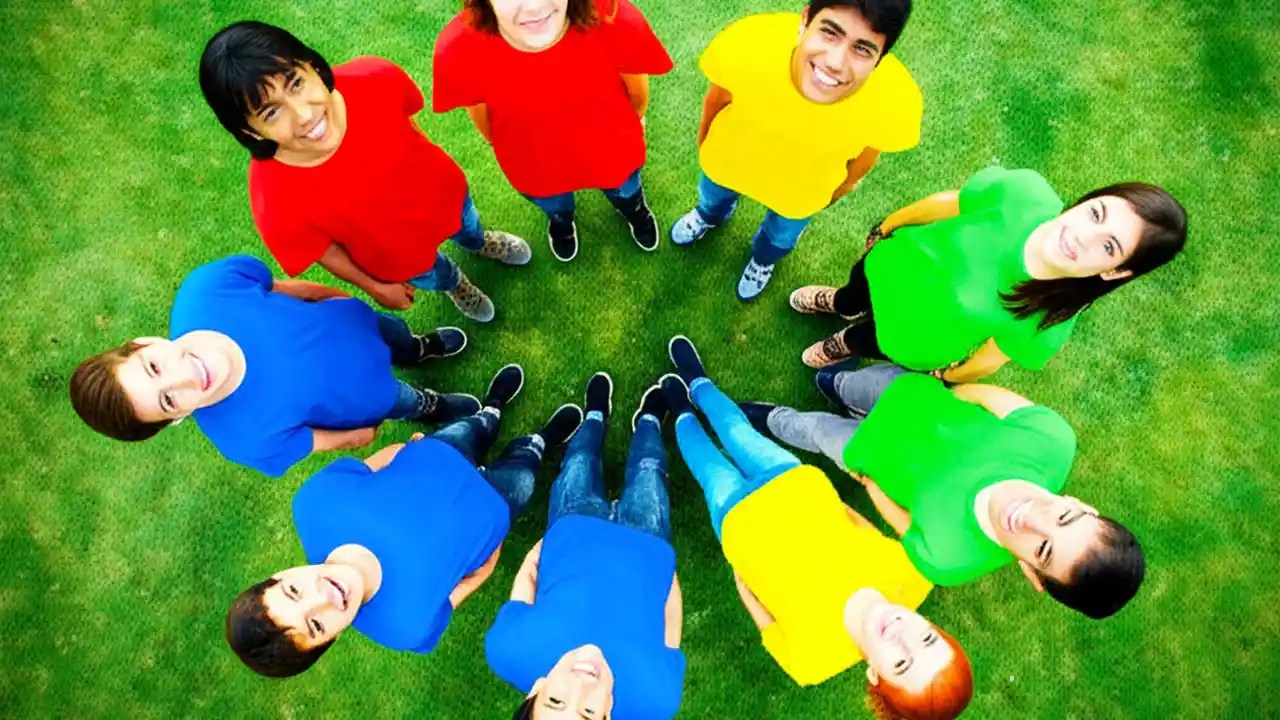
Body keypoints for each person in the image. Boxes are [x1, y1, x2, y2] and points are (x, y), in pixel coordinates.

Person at [661, 336, 971, 718]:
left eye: (902, 665)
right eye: (927, 639)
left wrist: (746, 588)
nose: (904, 637)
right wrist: (836, 505)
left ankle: (680, 411)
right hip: (795, 484)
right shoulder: (916, 575)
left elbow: (769, 628)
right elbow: (866, 531)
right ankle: (699, 385)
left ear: (876, 677)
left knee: (708, 466)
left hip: (738, 520)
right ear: (934, 627)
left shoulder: (813, 663)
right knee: (739, 432)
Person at [224, 364, 584, 677]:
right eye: (315, 626)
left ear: (282, 575)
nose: (323, 597)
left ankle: (491, 410)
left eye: (293, 592)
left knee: (471, 429)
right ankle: (540, 441)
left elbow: (373, 465)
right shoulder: (406, 630)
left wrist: (409, 452)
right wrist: (494, 533)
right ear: (330, 641)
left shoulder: (315, 504)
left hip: (441, 452)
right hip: (497, 501)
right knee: (523, 472)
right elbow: (469, 583)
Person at [741, 360, 1146, 619]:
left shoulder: (949, 562)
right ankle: (835, 382)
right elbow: (990, 396)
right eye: (1063, 518)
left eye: (1044, 550)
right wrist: (946, 395)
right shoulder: (1052, 441)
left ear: (1033, 575)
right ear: (1079, 504)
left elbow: (904, 526)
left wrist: (870, 483)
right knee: (859, 382)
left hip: (865, 454)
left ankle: (777, 420)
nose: (1032, 518)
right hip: (907, 395)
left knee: (813, 430)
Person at [200, 21, 530, 323]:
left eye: (296, 83)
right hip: (394, 254)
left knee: (469, 228)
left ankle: (480, 243)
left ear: (312, 66)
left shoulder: (374, 77)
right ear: (251, 132)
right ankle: (457, 285)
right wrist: (375, 287)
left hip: (446, 196)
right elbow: (325, 253)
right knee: (437, 275)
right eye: (271, 112)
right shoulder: (271, 201)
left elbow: (410, 127)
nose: (303, 115)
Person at [69, 255, 478, 477]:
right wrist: (359, 436)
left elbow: (279, 287)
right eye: (168, 399)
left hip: (361, 323)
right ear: (177, 418)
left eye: (154, 367)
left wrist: (333, 298)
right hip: (372, 398)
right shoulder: (246, 441)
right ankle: (429, 403)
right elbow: (321, 440)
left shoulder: (207, 289)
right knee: (404, 399)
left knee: (396, 335)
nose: (186, 377)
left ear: (145, 344)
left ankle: (420, 349)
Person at [790, 166, 1189, 372]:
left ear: (1115, 272)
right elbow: (949, 203)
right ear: (1088, 200)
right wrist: (888, 226)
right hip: (891, 267)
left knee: (868, 340)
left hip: (914, 334)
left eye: (1108, 246)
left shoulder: (1051, 321)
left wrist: (948, 377)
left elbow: (988, 359)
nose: (1082, 236)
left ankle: (841, 343)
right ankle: (840, 303)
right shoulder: (1023, 193)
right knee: (855, 291)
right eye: (1096, 213)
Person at [670, 0, 921, 301]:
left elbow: (862, 162)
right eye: (830, 32)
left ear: (880, 59)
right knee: (712, 201)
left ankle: (762, 262)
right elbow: (715, 102)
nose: (835, 62)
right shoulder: (750, 42)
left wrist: (832, 194)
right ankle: (708, 217)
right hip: (728, 162)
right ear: (804, 21)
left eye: (863, 49)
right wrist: (706, 149)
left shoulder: (893, 102)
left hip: (800, 193)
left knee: (779, 239)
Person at [486, 373, 686, 720]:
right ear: (608, 714)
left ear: (536, 691)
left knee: (578, 461)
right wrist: (663, 571)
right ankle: (649, 420)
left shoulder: (507, 651)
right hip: (646, 540)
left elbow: (522, 592)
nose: (582, 684)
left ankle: (595, 414)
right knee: (650, 468)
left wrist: (541, 549)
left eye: (556, 702)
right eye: (588, 713)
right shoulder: (657, 701)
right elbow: (670, 632)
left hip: (573, 525)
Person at [433, 0, 674, 262]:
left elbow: (637, 95)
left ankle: (633, 210)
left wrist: (634, 121)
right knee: (554, 204)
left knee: (625, 190)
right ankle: (561, 222)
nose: (534, 7)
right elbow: (482, 116)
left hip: (611, 147)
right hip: (535, 161)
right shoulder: (459, 49)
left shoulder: (614, 19)